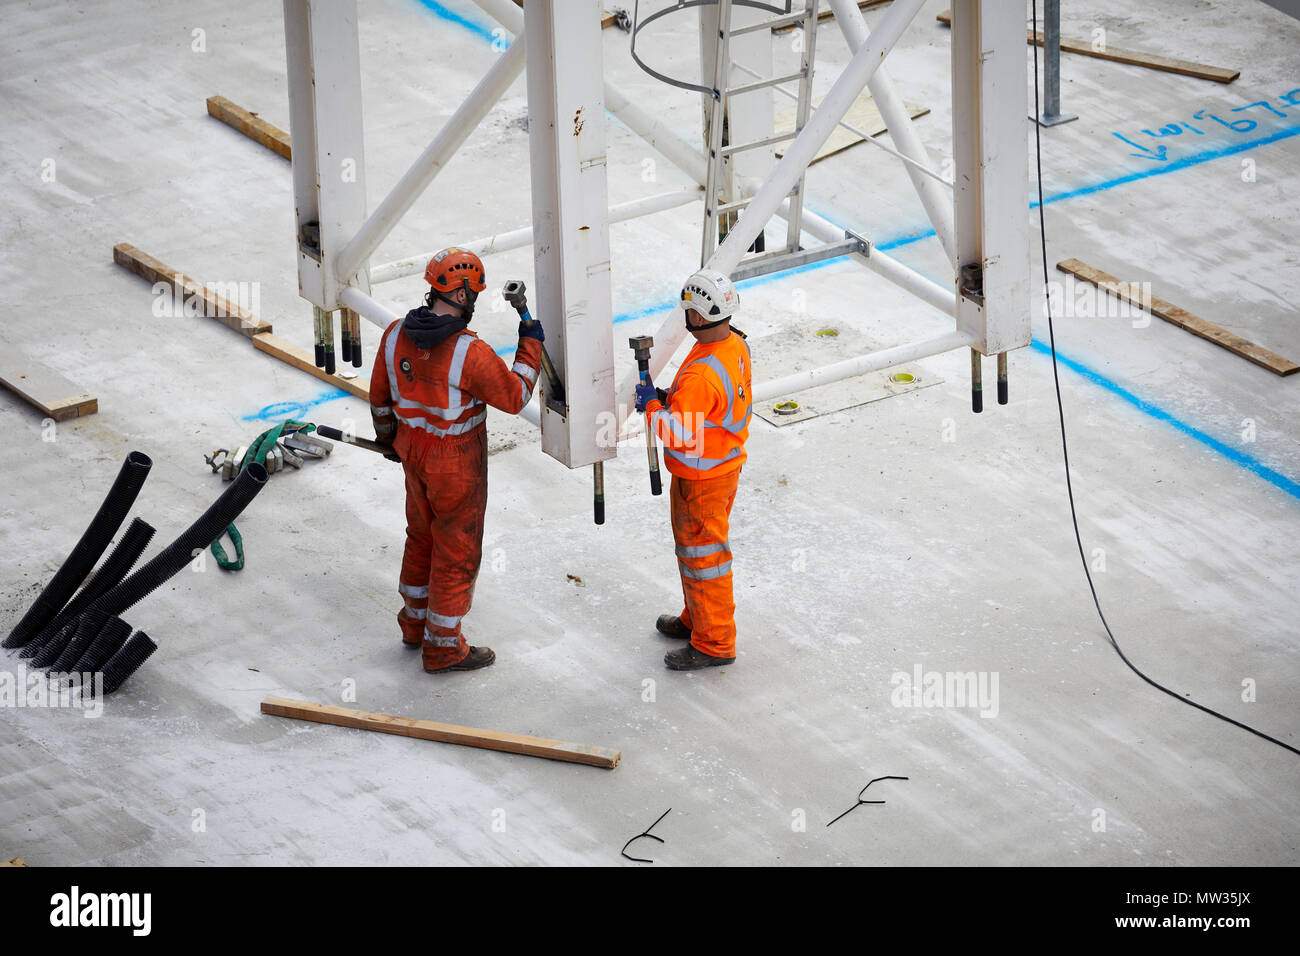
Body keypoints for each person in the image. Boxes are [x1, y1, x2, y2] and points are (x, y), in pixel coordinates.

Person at [369, 247, 544, 672]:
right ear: (463, 295)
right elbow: (515, 395)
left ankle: (414, 625)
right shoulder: (470, 352)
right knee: (456, 548)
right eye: (475, 295)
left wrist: (390, 440)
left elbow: (379, 400)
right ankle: (444, 646)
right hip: (456, 463)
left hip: (412, 452)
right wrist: (531, 343)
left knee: (421, 537)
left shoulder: (394, 334)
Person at [636, 268, 752, 670]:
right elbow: (709, 409)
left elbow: (678, 434)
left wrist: (653, 406)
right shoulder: (732, 345)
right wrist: (672, 397)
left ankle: (714, 642)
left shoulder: (702, 374)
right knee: (697, 554)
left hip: (701, 479)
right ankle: (697, 618)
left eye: (688, 310)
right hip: (721, 468)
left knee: (705, 559)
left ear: (699, 317)